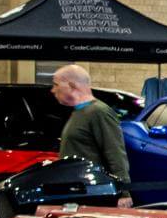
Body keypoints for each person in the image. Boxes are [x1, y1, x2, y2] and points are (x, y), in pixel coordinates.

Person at [51, 64, 131, 206]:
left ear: (71, 85)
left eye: (56, 85)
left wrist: (123, 192)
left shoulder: (98, 112)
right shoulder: (78, 113)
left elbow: (115, 153)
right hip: (78, 194)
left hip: (94, 195)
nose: (53, 90)